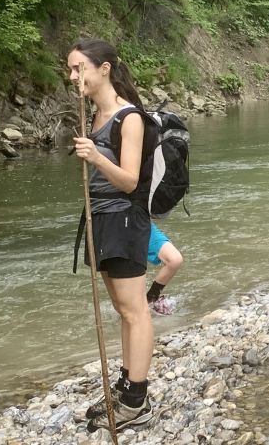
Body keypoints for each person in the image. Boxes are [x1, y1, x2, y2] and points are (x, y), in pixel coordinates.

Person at [67, 37, 157, 430]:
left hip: (124, 219)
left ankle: (137, 401)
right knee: (122, 310)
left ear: (103, 69)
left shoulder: (129, 117)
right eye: (70, 69)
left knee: (135, 311)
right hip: (100, 220)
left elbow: (129, 180)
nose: (72, 76)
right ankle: (124, 388)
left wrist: (96, 157)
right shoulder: (94, 116)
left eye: (78, 68)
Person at [145, 223, 183, 315]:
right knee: (124, 305)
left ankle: (151, 299)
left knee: (174, 260)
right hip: (112, 225)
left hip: (141, 222)